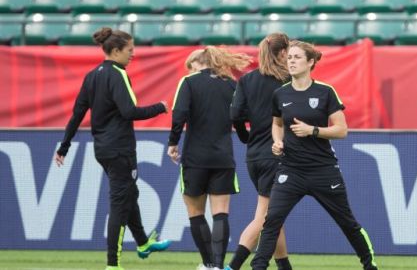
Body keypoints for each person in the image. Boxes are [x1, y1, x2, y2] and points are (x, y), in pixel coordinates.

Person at [250, 41, 378, 270]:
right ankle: (258, 266)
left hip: (323, 170)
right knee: (271, 222)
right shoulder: (280, 94)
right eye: (289, 57)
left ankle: (370, 265)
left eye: (297, 57)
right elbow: (277, 124)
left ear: (310, 62)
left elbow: (342, 130)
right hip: (290, 170)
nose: (291, 61)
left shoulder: (325, 92)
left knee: (347, 222)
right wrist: (277, 141)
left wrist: (313, 131)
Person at [54, 27, 171, 270]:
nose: (133, 54)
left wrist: (64, 146)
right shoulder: (118, 74)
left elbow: (77, 114)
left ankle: (142, 243)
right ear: (116, 51)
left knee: (130, 195)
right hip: (120, 149)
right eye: (130, 50)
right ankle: (113, 264)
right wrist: (160, 107)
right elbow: (130, 111)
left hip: (103, 150)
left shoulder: (91, 76)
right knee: (120, 203)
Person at [168, 46, 252, 270]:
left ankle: (207, 264)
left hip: (195, 158)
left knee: (195, 213)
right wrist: (246, 138)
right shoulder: (231, 85)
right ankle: (218, 264)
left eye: (190, 67)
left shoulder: (188, 83)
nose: (189, 71)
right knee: (220, 214)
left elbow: (179, 115)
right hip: (223, 157)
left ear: (197, 63)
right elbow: (240, 118)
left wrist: (173, 143)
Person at [226, 33, 293, 270]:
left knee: (274, 216)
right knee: (265, 217)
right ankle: (231, 266)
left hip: (254, 156)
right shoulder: (289, 80)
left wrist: (246, 137)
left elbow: (235, 115)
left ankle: (285, 267)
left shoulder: (247, 80)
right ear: (283, 52)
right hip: (279, 154)